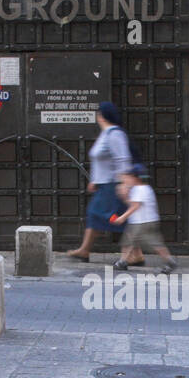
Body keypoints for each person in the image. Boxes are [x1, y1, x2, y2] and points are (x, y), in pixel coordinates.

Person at [67, 101, 142, 263]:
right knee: (104, 216)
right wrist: (94, 180)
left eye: (99, 113)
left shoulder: (115, 134)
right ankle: (135, 253)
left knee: (109, 216)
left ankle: (86, 250)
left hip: (113, 185)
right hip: (105, 184)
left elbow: (122, 158)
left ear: (102, 116)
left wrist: (124, 183)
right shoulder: (105, 134)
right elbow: (100, 160)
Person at [113, 169, 177, 275]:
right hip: (147, 221)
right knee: (150, 243)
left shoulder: (139, 189)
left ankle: (122, 262)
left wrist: (122, 217)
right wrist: (124, 195)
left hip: (141, 223)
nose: (125, 182)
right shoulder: (144, 188)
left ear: (134, 178)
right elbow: (133, 203)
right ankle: (122, 262)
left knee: (132, 242)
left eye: (126, 179)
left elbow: (135, 206)